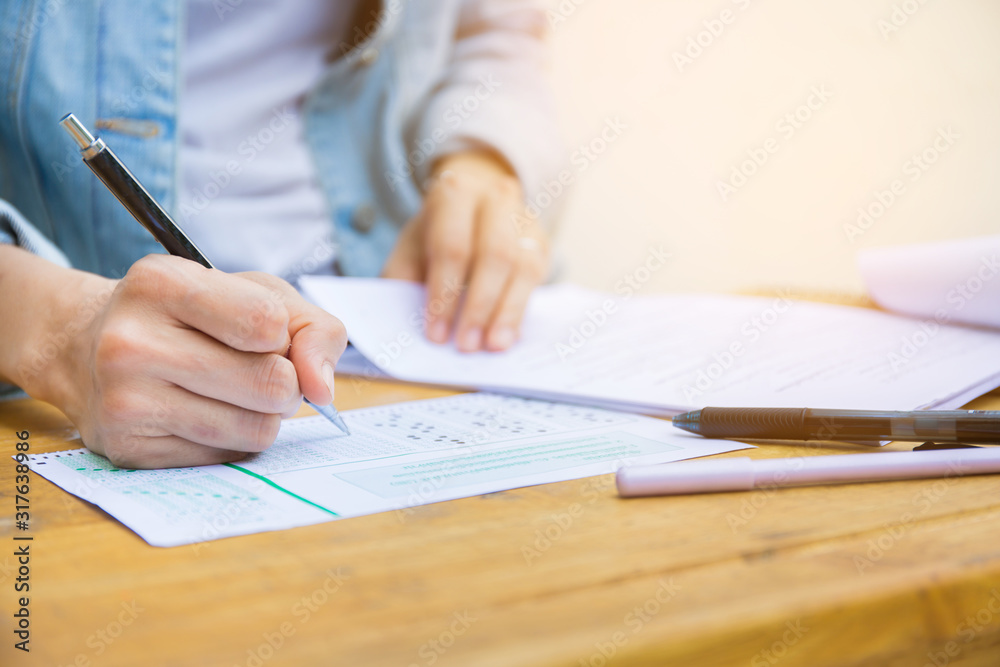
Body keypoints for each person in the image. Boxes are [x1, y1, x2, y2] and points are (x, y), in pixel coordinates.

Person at [0, 0, 563, 468]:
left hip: (394, 325)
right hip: (70, 386)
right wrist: (60, 329)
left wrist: (483, 163)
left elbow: (494, 34)